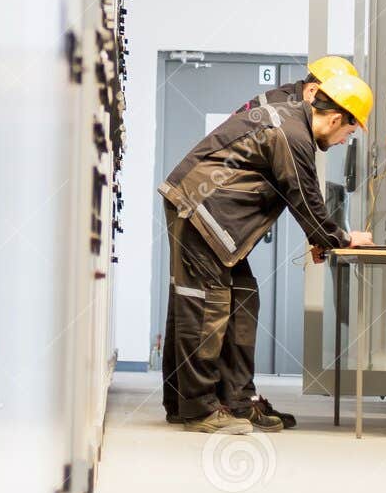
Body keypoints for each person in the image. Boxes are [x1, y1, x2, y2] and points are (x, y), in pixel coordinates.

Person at [158, 67, 374, 433]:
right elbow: (304, 195)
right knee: (205, 303)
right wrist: (339, 237)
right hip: (200, 209)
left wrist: (320, 236)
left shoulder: (291, 123)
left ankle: (232, 402)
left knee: (241, 298)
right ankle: (198, 410)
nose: (343, 142)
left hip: (214, 215)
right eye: (348, 133)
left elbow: (295, 193)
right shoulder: (292, 133)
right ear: (336, 117)